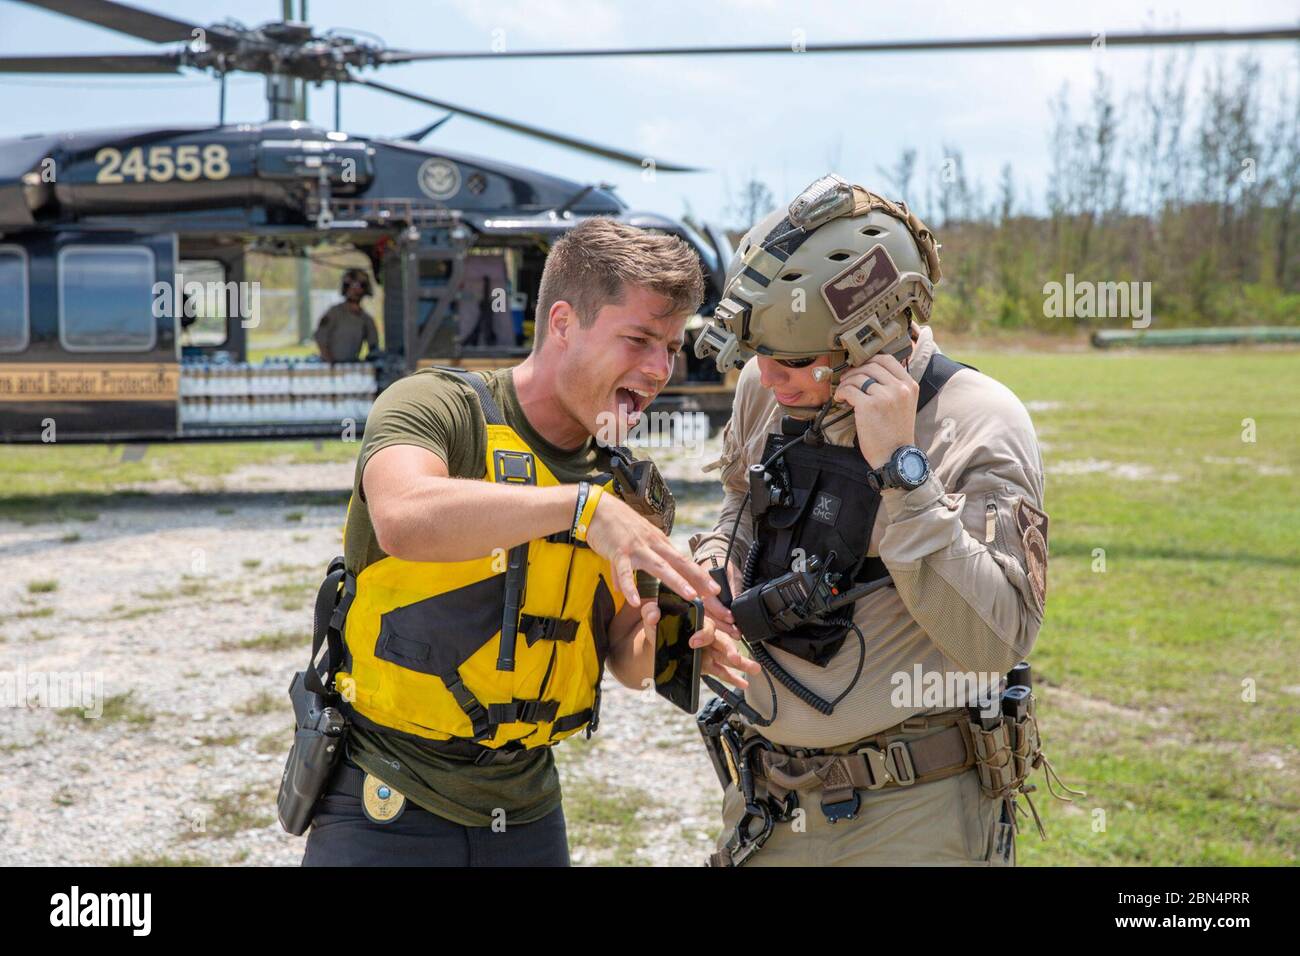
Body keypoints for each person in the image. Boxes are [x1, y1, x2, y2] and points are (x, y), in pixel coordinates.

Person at [299, 218, 755, 866]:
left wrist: (678, 641)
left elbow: (626, 656)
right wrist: (578, 510)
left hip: (529, 814)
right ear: (563, 322)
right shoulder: (436, 406)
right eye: (639, 340)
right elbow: (402, 515)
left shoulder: (628, 489)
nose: (659, 370)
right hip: (384, 801)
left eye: (672, 347)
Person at [689, 174, 1079, 867]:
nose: (768, 377)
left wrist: (904, 471)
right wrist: (722, 552)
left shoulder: (977, 421)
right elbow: (737, 498)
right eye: (758, 355)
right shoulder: (766, 388)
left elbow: (995, 640)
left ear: (872, 335)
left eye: (796, 361)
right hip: (767, 797)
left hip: (913, 814)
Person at [314, 268, 379, 362]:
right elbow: (320, 337)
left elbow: (373, 347)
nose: (355, 290)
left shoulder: (366, 319)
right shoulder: (334, 313)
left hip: (352, 367)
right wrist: (330, 361)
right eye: (352, 286)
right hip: (330, 366)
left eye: (359, 286)